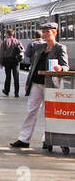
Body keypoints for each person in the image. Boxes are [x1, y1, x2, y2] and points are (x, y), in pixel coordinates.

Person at [10, 21, 69, 149]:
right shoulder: (40, 47)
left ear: (54, 33)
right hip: (36, 83)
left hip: (51, 85)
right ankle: (24, 139)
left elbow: (66, 66)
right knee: (31, 111)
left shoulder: (60, 48)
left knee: (49, 113)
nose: (45, 34)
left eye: (48, 32)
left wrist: (60, 68)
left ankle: (47, 140)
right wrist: (28, 82)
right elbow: (33, 66)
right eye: (44, 32)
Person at [0, 28, 23, 97]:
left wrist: (1, 62)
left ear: (7, 34)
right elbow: (22, 50)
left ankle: (6, 91)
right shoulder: (17, 41)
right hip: (16, 61)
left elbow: (2, 53)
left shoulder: (5, 42)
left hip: (8, 61)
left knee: (8, 76)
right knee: (16, 77)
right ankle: (16, 93)